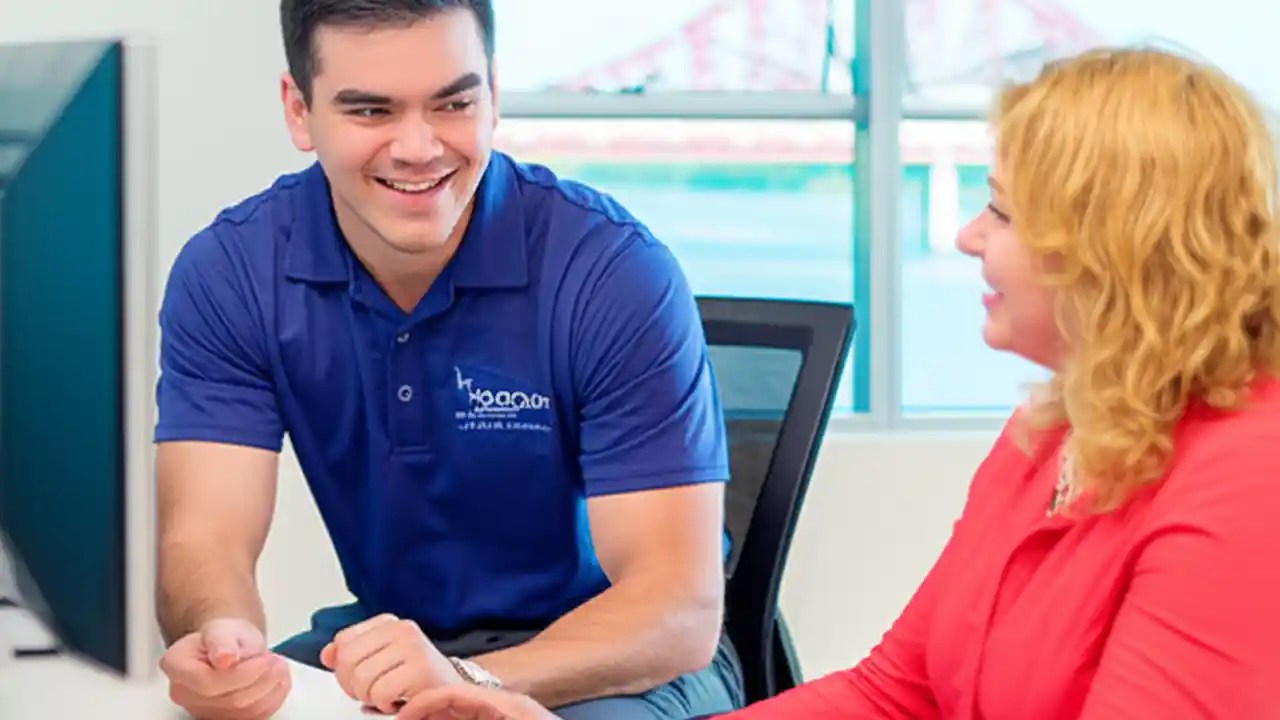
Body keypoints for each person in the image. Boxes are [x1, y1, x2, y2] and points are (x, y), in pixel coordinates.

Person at [385, 45, 1280, 720]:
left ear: (1113, 254)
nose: (967, 236)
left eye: (1002, 212)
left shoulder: (1246, 481)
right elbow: (897, 691)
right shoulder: (1051, 437)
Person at [152, 1, 746, 719]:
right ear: (299, 111)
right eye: (371, 111)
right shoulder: (232, 272)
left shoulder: (612, 270)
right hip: (402, 645)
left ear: (492, 94)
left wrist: (467, 680)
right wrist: (221, 640)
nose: (419, 147)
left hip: (619, 661)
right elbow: (204, 537)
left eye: (453, 103)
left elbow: (676, 612)